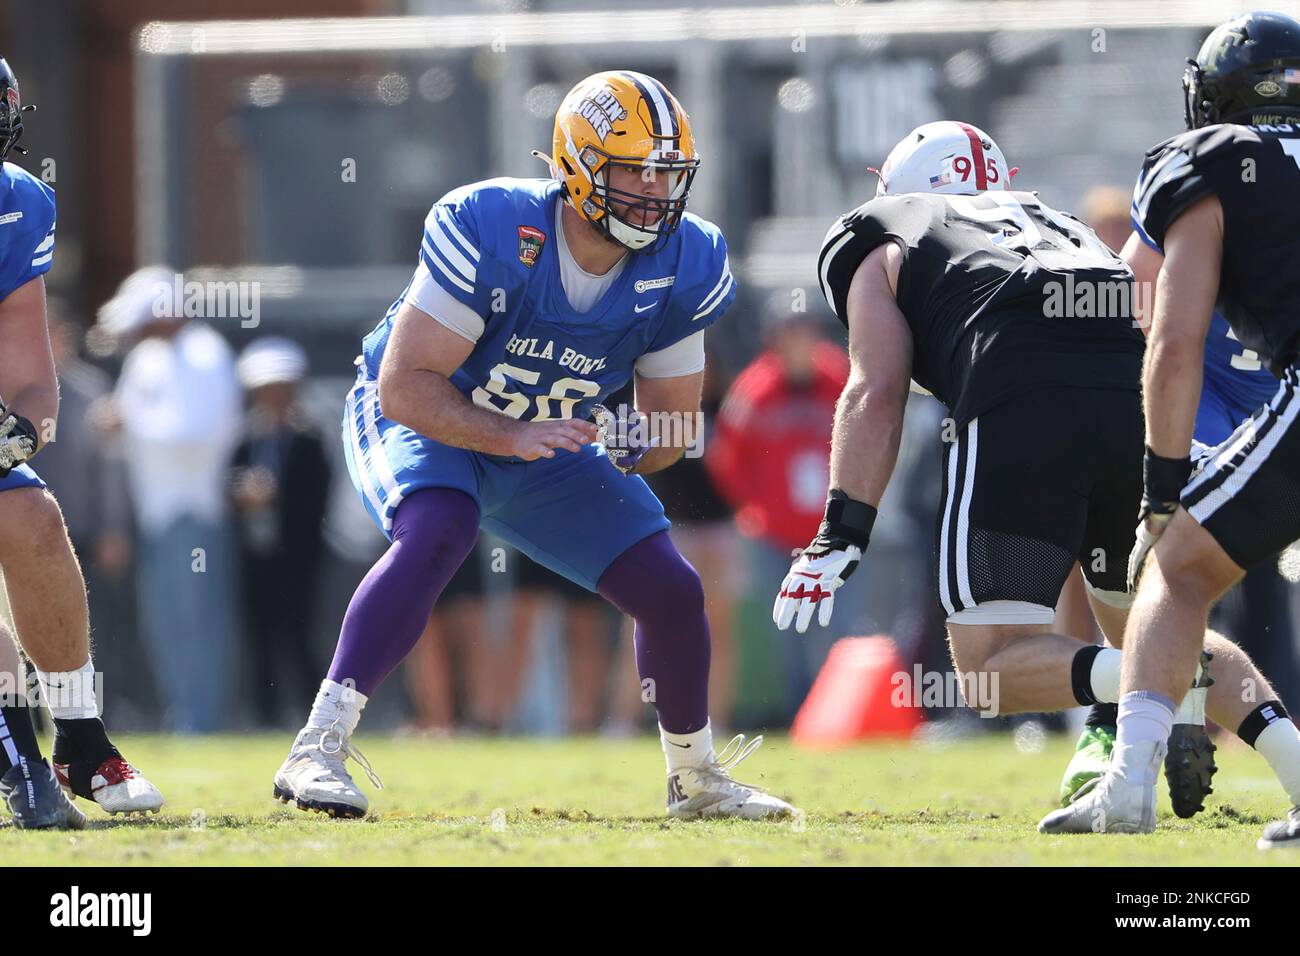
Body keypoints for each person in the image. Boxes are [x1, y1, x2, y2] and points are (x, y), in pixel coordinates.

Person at [272, 71, 796, 821]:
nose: (653, 192)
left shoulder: (687, 260)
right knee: (440, 529)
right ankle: (316, 748)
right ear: (578, 167)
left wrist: (633, 441)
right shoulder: (494, 225)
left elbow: (672, 430)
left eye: (666, 174)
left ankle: (697, 778)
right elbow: (406, 385)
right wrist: (511, 435)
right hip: (431, 419)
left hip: (549, 440)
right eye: (632, 171)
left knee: (672, 589)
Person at [774, 121, 1277, 810]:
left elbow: (876, 389)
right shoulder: (1058, 219)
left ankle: (1159, 683)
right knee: (1161, 620)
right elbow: (1143, 318)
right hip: (1131, 396)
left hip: (1018, 393)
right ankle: (1288, 758)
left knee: (990, 665)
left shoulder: (885, 226)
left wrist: (842, 529)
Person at [1039, 12, 1300, 849]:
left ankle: (1127, 787)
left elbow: (1170, 338)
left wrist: (1159, 489)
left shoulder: (1209, 160)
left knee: (1175, 566)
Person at [0, 58, 161, 828]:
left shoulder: (17, 203)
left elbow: (31, 371)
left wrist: (24, 427)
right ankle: (22, 763)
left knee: (35, 519)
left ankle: (78, 736)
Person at [100, 266, 241, 734]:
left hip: (193, 509)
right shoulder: (147, 358)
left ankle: (202, 719)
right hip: (154, 511)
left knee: (198, 619)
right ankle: (183, 714)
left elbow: (197, 435)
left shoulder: (205, 353)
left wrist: (129, 423)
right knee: (165, 623)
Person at [707, 298, 852, 720]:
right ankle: (801, 715)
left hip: (833, 534)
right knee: (790, 630)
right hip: (775, 537)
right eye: (791, 335)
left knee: (836, 627)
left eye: (806, 334)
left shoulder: (837, 377)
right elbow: (727, 459)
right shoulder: (754, 390)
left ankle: (836, 717)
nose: (799, 345)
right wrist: (754, 509)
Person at [229, 338, 331, 728]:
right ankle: (265, 715)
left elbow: (317, 497)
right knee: (260, 635)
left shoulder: (309, 438)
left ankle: (312, 714)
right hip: (256, 552)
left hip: (299, 555)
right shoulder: (246, 437)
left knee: (302, 633)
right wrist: (243, 496)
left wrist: (276, 497)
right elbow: (230, 484)